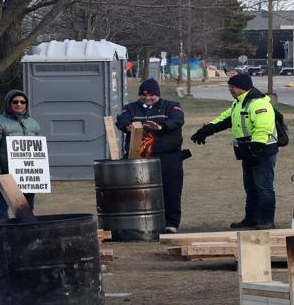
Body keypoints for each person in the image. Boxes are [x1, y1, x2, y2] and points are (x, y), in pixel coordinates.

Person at [190, 72, 276, 230]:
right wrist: (205, 131)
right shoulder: (239, 103)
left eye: (233, 87)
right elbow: (224, 119)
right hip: (247, 152)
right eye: (230, 86)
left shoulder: (259, 103)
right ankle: (251, 219)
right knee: (250, 187)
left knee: (263, 187)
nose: (230, 90)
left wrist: (257, 147)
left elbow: (263, 126)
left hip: (262, 151)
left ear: (243, 87)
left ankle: (266, 220)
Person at [114, 78, 188, 232]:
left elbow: (177, 121)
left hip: (168, 156)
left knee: (171, 190)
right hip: (140, 157)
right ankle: (144, 224)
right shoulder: (130, 108)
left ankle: (171, 223)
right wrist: (127, 126)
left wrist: (161, 126)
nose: (147, 99)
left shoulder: (172, 106)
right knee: (140, 192)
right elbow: (121, 120)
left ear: (158, 95)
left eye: (151, 96)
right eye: (143, 96)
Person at [0, 89, 43, 222]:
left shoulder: (33, 124)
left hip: (28, 174)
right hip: (6, 174)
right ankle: (0, 233)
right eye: (15, 101)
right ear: (9, 103)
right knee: (2, 208)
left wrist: (41, 171)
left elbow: (39, 148)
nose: (19, 104)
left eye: (22, 102)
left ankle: (27, 232)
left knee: (28, 207)